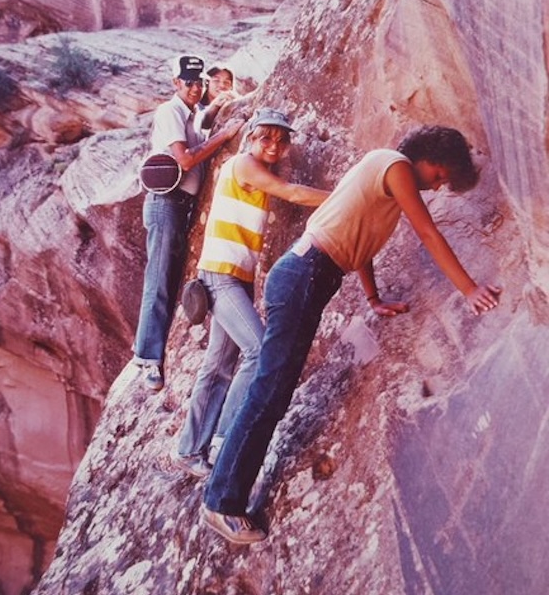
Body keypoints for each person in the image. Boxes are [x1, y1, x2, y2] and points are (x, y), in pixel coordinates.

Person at [201, 125, 502, 544]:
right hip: (305, 274)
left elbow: (357, 239)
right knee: (269, 391)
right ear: (429, 158)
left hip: (308, 274)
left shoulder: (380, 169)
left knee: (273, 389)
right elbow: (429, 232)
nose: (436, 186)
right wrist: (470, 289)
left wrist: (373, 296)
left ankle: (223, 493)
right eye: (439, 176)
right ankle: (221, 502)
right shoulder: (396, 167)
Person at [176, 108, 330, 477]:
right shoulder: (243, 165)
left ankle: (189, 450)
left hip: (235, 277)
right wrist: (345, 195)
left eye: (281, 139)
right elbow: (291, 192)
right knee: (259, 351)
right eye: (266, 137)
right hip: (220, 276)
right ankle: (223, 440)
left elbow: (284, 180)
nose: (274, 145)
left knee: (217, 366)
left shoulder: (259, 168)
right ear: (250, 139)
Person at [132, 54, 244, 392]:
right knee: (159, 279)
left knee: (170, 277)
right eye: (188, 81)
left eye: (199, 82)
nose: (195, 88)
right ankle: (148, 359)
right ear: (175, 83)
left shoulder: (193, 114)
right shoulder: (170, 112)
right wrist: (224, 136)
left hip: (180, 205)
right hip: (166, 203)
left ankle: (151, 348)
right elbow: (184, 159)